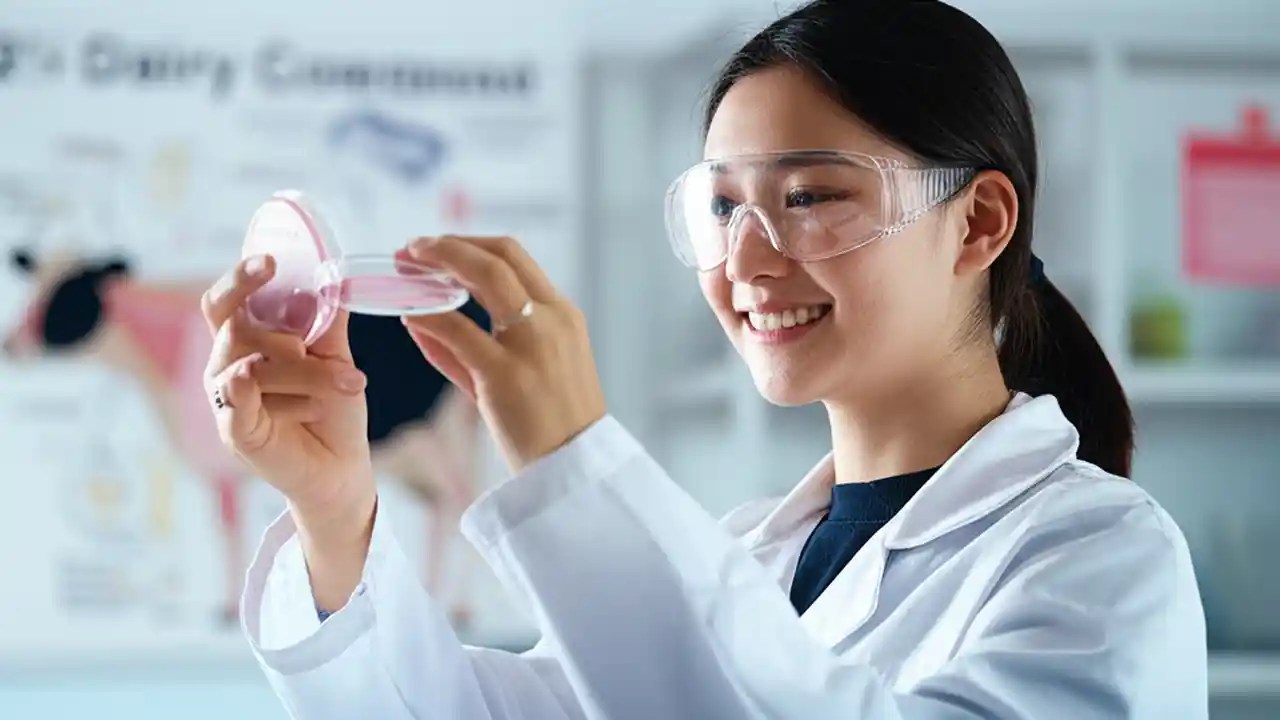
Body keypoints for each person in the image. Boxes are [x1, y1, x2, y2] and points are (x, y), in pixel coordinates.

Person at [204, 0, 1207, 716]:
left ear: (977, 221)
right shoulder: (743, 554)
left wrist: (573, 463)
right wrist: (336, 515)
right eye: (721, 207)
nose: (746, 260)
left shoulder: (1098, 560)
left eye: (809, 197)